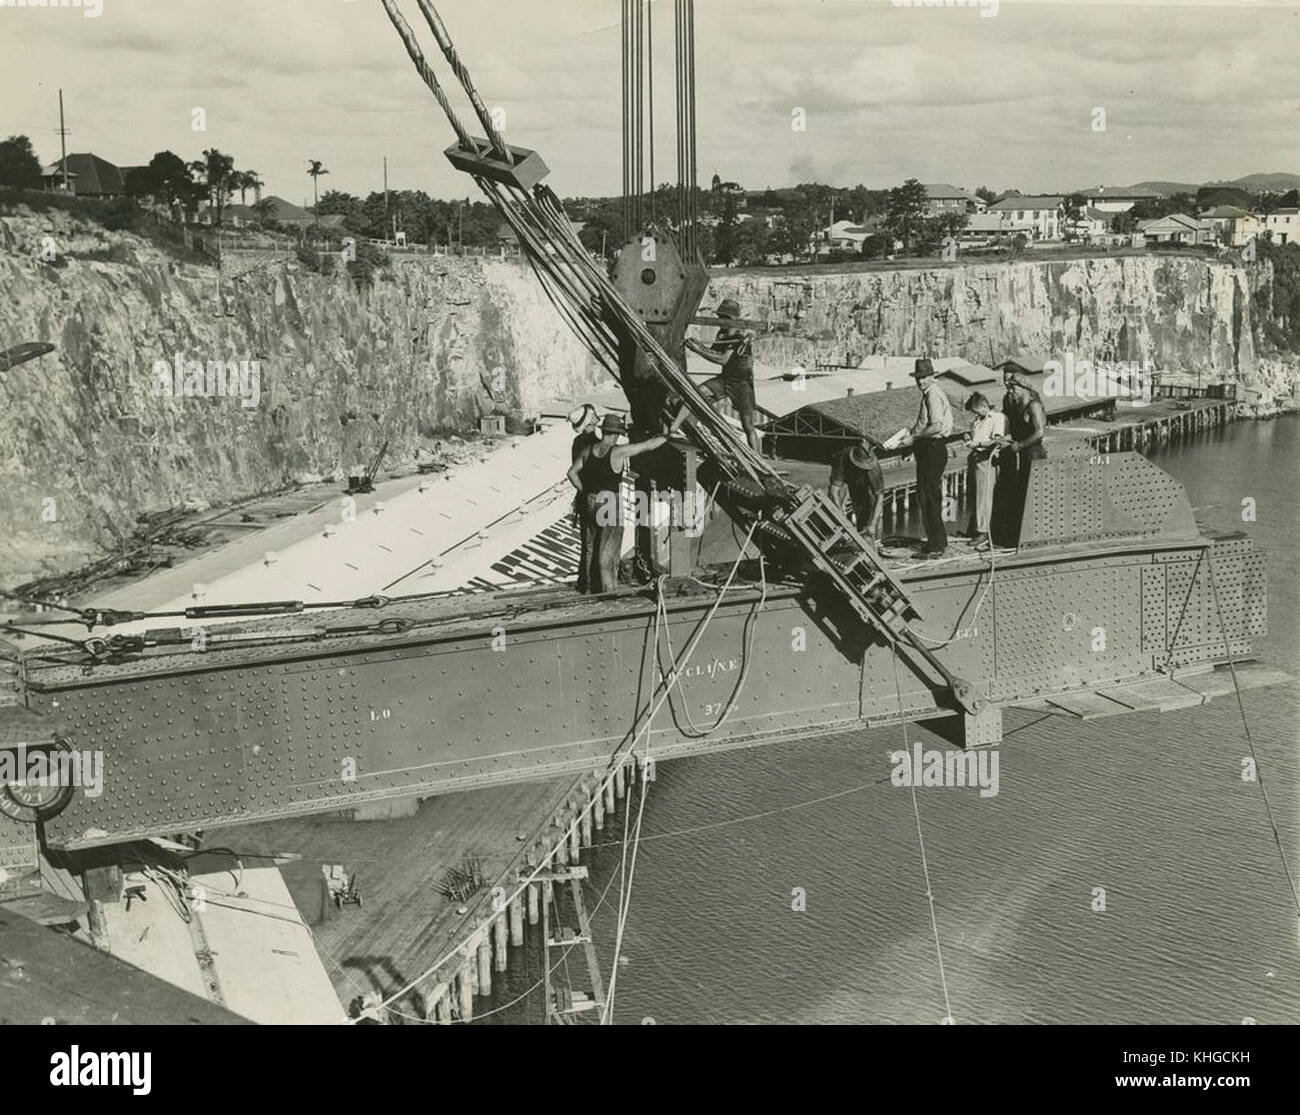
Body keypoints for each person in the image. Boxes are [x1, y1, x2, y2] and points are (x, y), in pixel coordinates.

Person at [567, 414, 667, 594]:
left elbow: (572, 473)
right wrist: (667, 436)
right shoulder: (617, 451)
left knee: (590, 546)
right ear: (614, 434)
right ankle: (608, 591)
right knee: (609, 550)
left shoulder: (588, 450)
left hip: (590, 499)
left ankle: (588, 588)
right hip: (609, 502)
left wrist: (584, 490)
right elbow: (647, 446)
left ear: (603, 431)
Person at [676, 298, 762, 455]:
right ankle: (683, 429)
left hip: (742, 383)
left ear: (730, 319)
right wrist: (699, 345)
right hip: (726, 378)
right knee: (698, 392)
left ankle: (759, 462)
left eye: (722, 317)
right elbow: (714, 352)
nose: (719, 321)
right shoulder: (723, 333)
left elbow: (722, 359)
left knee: (748, 425)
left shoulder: (739, 334)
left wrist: (698, 350)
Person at [899, 357, 954, 558]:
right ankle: (937, 541)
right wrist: (911, 441)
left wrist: (913, 438)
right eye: (918, 378)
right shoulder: (930, 394)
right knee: (929, 496)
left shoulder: (932, 395)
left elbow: (936, 426)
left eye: (923, 378)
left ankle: (936, 545)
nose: (920, 382)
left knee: (928, 497)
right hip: (930, 448)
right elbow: (923, 424)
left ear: (932, 377)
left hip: (933, 448)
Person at [992, 372, 1048, 546]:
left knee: (1030, 494)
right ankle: (1014, 536)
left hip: (1034, 454)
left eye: (1013, 388)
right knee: (1019, 493)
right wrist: (1006, 439)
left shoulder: (1034, 406)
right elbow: (1016, 432)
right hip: (1023, 453)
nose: (1011, 392)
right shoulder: (1017, 406)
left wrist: (1020, 445)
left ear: (1024, 388)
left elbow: (1039, 432)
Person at [961, 391, 1006, 550]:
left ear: (984, 406)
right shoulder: (977, 420)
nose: (974, 413)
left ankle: (983, 531)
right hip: (974, 458)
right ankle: (974, 527)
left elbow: (997, 441)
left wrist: (977, 443)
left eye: (976, 410)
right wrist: (969, 438)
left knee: (984, 496)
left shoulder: (996, 418)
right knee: (974, 495)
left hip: (986, 459)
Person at [568, 404, 601, 592]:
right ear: (589, 421)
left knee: (587, 542)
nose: (597, 416)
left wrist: (583, 491)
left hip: (584, 496)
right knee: (595, 542)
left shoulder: (577, 442)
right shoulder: (593, 444)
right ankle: (591, 583)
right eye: (594, 415)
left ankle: (585, 581)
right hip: (595, 496)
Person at [829, 438, 884, 543]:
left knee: (866, 514)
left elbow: (879, 497)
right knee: (835, 505)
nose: (862, 469)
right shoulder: (843, 457)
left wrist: (872, 524)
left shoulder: (874, 470)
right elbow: (834, 491)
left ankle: (867, 546)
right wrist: (841, 517)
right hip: (846, 479)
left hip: (862, 488)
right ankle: (837, 539)